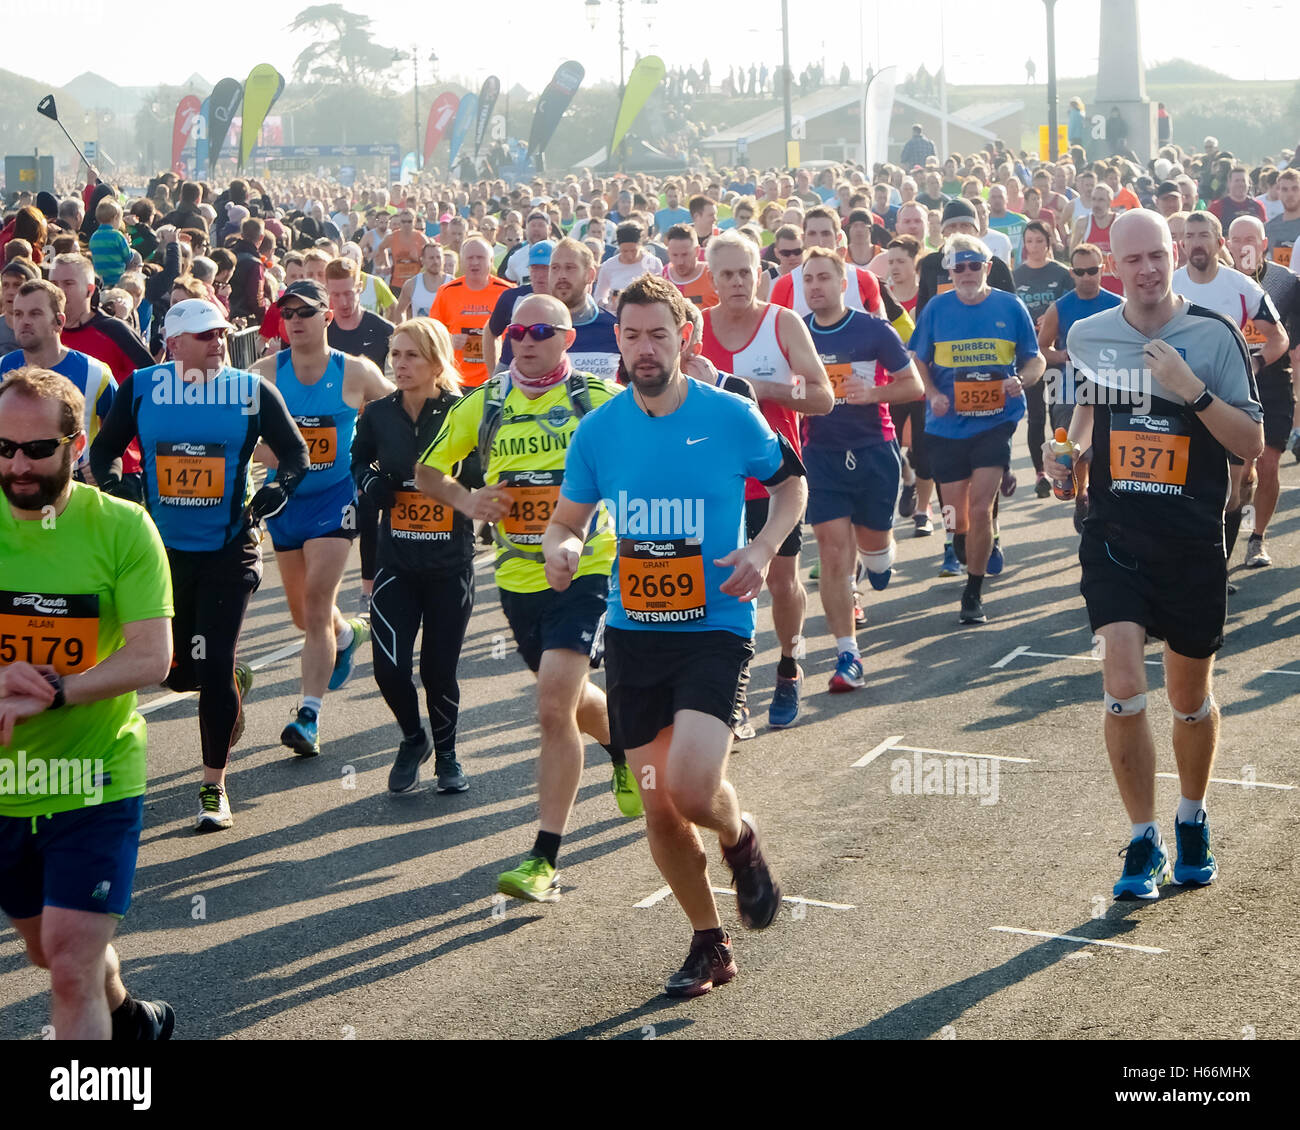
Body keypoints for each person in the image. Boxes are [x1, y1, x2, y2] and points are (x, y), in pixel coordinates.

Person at [544, 274, 804, 997]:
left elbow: (791, 485)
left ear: (685, 335)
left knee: (692, 788)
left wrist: (761, 550)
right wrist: (560, 546)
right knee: (658, 803)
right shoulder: (598, 430)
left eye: (659, 333)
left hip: (714, 626)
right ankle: (708, 942)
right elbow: (568, 518)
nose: (645, 348)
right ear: (618, 341)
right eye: (632, 335)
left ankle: (738, 835)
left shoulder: (730, 416)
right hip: (635, 633)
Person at [1043, 209, 1263, 901]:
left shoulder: (1213, 334)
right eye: (1132, 259)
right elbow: (1087, 411)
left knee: (1188, 698)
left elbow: (1250, 445)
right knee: (1123, 681)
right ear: (1115, 266)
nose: (1146, 270)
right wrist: (1070, 454)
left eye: (1157, 256)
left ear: (1175, 256)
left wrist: (1190, 391)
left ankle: (1191, 817)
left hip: (1192, 538)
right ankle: (1143, 840)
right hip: (1114, 532)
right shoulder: (1089, 333)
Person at [416, 292, 640, 905]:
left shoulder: (598, 403)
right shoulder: (485, 403)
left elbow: (640, 465)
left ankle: (544, 858)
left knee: (549, 707)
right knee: (564, 698)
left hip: (588, 570)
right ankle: (622, 745)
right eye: (516, 330)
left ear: (568, 338)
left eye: (540, 330)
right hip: (517, 577)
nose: (525, 339)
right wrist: (469, 503)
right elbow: (427, 473)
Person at [0, 367, 175, 1039]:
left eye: (38, 449)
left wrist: (56, 692)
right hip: (9, 783)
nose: (18, 465)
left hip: (93, 776)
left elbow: (150, 657)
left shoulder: (123, 529)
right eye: (4, 448)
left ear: (76, 444)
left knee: (70, 966)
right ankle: (129, 1018)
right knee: (50, 952)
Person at [90, 298, 310, 829]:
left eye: (221, 333)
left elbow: (296, 453)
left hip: (229, 548)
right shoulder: (141, 388)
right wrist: (122, 486)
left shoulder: (253, 392)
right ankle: (232, 677)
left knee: (209, 670)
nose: (219, 343)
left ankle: (214, 787)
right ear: (174, 344)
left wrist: (278, 489)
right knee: (174, 673)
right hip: (161, 552)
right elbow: (104, 452)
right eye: (205, 335)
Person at [250, 281, 394, 757]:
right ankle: (349, 632)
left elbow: (400, 410)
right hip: (287, 503)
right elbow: (241, 431)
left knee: (315, 603)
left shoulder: (355, 372)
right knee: (302, 616)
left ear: (327, 317)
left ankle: (308, 715)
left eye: (305, 312)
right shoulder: (263, 374)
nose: (294, 320)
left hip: (336, 499)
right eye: (286, 312)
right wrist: (278, 459)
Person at [700, 231, 833, 729]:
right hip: (714, 482)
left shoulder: (783, 323)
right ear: (712, 279)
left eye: (745, 271)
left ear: (760, 272)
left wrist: (759, 388)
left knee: (780, 582)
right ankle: (733, 693)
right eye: (727, 273)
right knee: (723, 589)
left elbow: (821, 395)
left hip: (775, 482)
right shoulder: (696, 327)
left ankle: (788, 665)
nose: (737, 281)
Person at [352, 318, 477, 793]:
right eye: (396, 355)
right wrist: (371, 482)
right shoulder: (379, 413)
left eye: (412, 356)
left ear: (437, 361)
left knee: (438, 670)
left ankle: (447, 756)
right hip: (396, 563)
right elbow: (359, 460)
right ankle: (412, 738)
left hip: (449, 565)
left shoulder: (462, 411)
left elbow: (485, 469)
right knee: (388, 666)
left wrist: (464, 489)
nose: (400, 365)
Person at [800, 247, 922, 690]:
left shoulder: (872, 330)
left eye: (823, 278)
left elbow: (915, 385)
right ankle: (847, 655)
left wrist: (870, 393)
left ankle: (879, 556)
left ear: (842, 283)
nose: (815, 286)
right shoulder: (796, 333)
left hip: (874, 450)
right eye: (808, 279)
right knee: (832, 553)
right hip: (821, 455)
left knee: (875, 551)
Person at [910, 234, 1044, 624]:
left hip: (995, 422)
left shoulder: (1010, 306)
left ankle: (973, 592)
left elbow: (1034, 360)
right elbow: (918, 360)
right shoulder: (937, 308)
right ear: (949, 271)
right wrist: (932, 392)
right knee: (955, 516)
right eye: (959, 267)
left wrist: (1021, 379)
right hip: (946, 425)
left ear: (987, 268)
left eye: (974, 266)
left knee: (981, 508)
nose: (967, 273)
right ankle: (961, 542)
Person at [1172, 211, 1287, 569]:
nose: (1196, 242)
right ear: (1181, 244)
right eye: (1189, 236)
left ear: (1220, 243)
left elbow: (1278, 338)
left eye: (1204, 235)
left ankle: (1219, 566)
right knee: (1187, 487)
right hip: (1181, 401)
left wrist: (1252, 365)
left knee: (1232, 491)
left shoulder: (1242, 286)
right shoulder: (1169, 285)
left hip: (1231, 402)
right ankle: (1200, 565)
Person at [1225, 215, 1300, 566]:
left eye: (1251, 239)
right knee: (1239, 471)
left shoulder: (1286, 283)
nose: (1244, 246)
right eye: (1236, 238)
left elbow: (1293, 341)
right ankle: (1224, 540)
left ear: (1264, 244)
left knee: (1269, 464)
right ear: (1225, 243)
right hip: (1231, 386)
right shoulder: (1217, 281)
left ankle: (1257, 539)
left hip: (1273, 384)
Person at [1036, 242, 1123, 526]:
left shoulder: (1118, 305)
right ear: (1071, 273)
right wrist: (1063, 355)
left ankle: (1102, 497)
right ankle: (1082, 494)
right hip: (1069, 388)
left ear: (1103, 269)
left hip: (1112, 388)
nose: (1086, 277)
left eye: (1092, 271)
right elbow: (1041, 350)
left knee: (1107, 448)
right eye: (1079, 271)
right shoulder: (1059, 308)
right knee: (1077, 449)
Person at [0, 280, 117, 485]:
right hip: (13, 486)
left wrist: (104, 463)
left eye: (35, 314)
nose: (24, 321)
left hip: (76, 490)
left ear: (59, 322)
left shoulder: (95, 372)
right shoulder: (2, 368)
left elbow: (122, 428)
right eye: (18, 314)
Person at [1013, 221, 1073, 496]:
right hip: (1029, 354)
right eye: (1029, 241)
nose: (1034, 246)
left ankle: (1062, 467)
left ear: (1048, 243)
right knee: (1035, 415)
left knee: (1058, 413)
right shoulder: (1017, 275)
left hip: (1057, 352)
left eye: (1039, 240)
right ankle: (1040, 473)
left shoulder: (1062, 274)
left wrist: (1051, 319)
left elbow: (1071, 308)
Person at [428, 235, 511, 388]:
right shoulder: (447, 292)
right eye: (470, 258)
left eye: (480, 257)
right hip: (457, 380)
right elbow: (431, 333)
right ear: (462, 261)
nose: (474, 262)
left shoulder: (507, 292)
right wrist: (449, 340)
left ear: (491, 261)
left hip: (498, 378)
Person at [1070, 183, 1123, 295]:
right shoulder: (1083, 222)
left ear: (1110, 201)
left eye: (1101, 200)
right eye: (1093, 199)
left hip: (1118, 283)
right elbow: (1073, 253)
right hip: (1092, 284)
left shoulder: (1120, 222)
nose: (1096, 204)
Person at [664, 225, 719, 309]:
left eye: (685, 255)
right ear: (668, 253)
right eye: (674, 255)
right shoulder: (662, 277)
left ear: (697, 251)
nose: (680, 262)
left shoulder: (714, 274)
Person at [393, 242, 450, 322]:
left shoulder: (453, 284)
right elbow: (399, 311)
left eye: (438, 257)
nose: (435, 262)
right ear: (422, 260)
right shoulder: (412, 285)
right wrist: (404, 329)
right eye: (431, 258)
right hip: (420, 333)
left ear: (443, 260)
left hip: (444, 333)